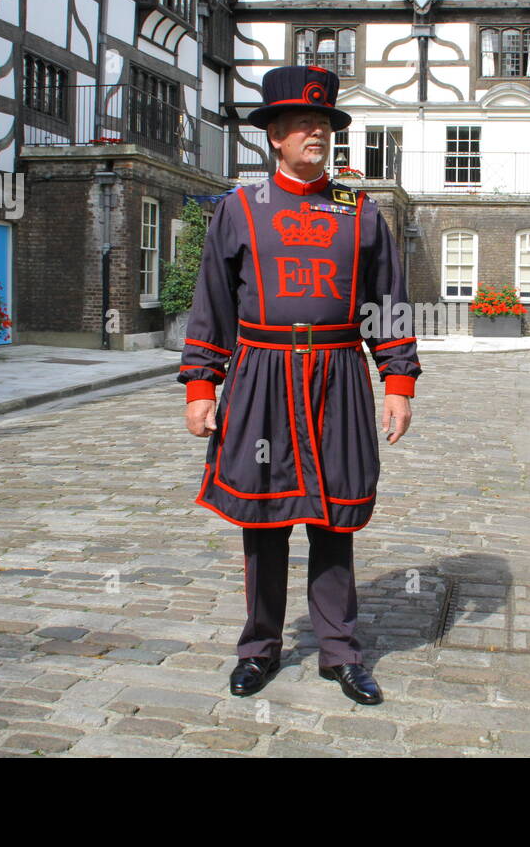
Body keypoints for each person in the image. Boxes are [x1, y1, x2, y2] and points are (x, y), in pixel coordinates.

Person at [178, 65, 419, 705]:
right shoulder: (238, 210)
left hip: (338, 376)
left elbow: (387, 304)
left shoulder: (362, 215)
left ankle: (340, 652)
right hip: (262, 377)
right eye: (305, 124)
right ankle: (259, 648)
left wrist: (398, 379)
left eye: (325, 124)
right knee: (263, 517)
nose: (318, 134)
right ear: (276, 136)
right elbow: (212, 306)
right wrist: (201, 384)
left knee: (333, 517)